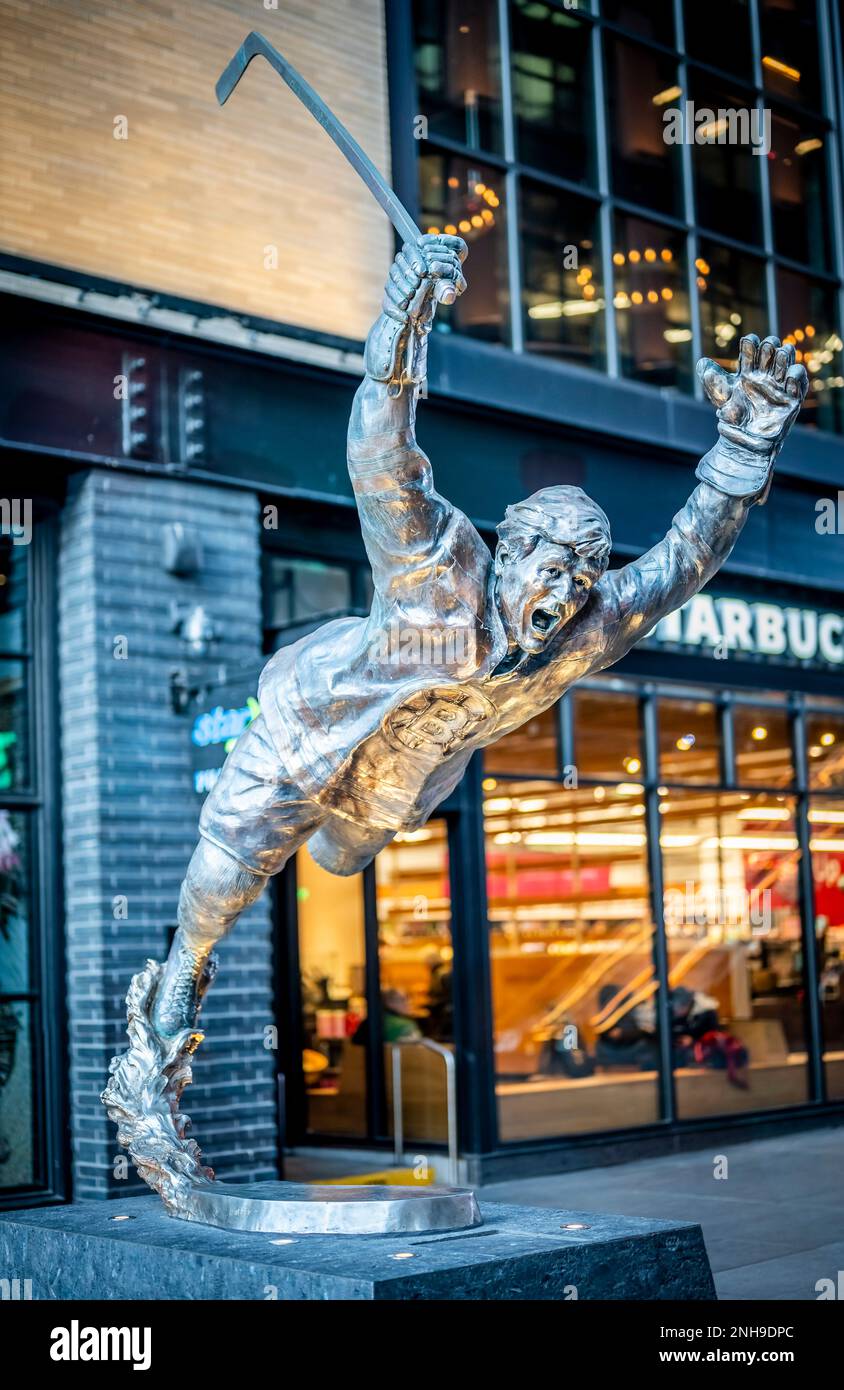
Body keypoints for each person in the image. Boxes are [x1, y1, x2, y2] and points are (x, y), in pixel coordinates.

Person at [149, 233, 809, 1037]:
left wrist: (743, 451)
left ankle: (324, 842)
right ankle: (183, 968)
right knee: (231, 866)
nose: (567, 592)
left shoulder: (591, 626)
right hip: (318, 720)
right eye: (555, 567)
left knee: (338, 857)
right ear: (511, 553)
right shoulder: (438, 564)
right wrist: (401, 324)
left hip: (400, 777)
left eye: (583, 576)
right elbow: (382, 455)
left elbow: (683, 562)